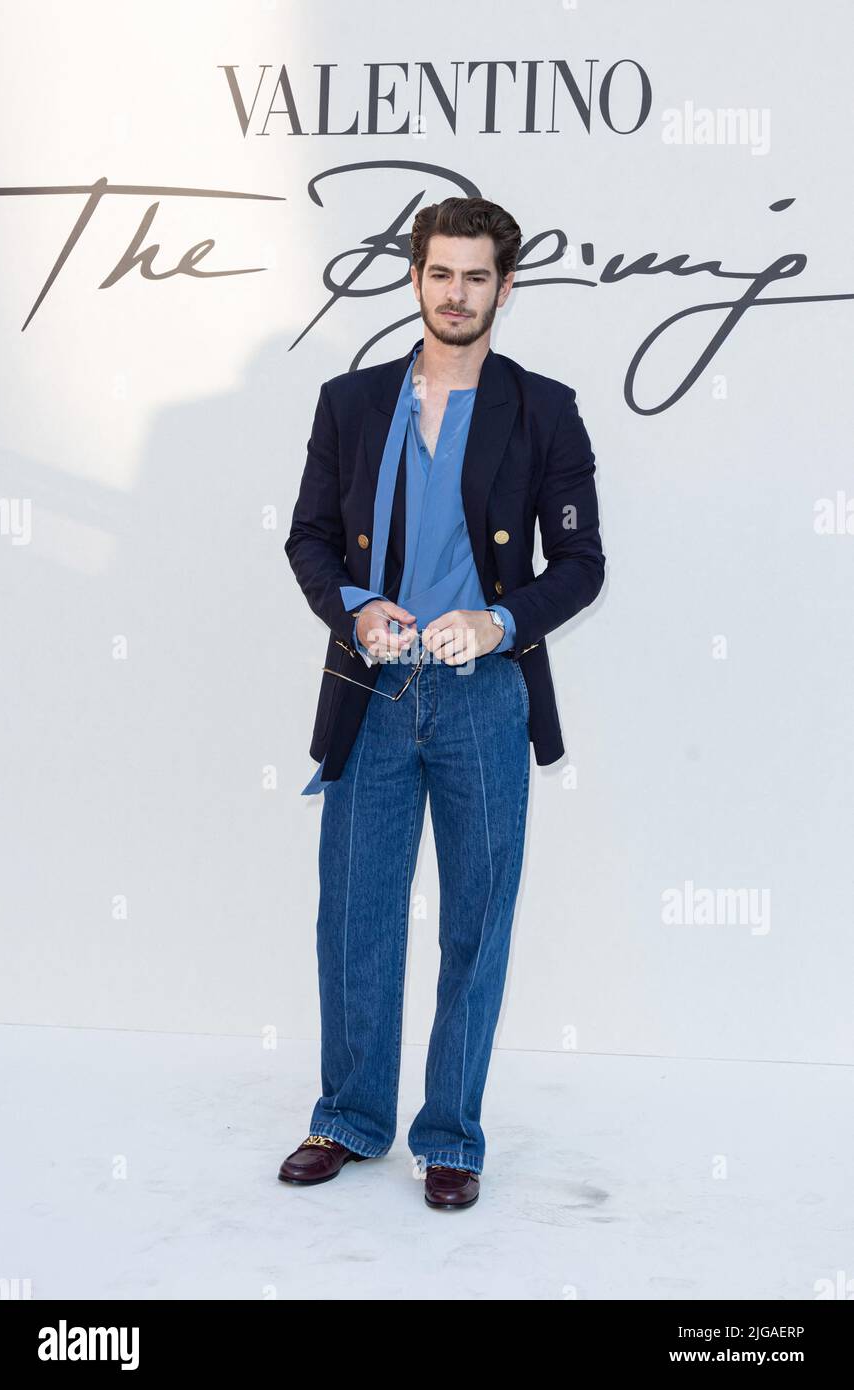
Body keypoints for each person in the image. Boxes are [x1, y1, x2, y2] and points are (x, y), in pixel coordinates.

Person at [281, 196, 605, 1210]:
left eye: (475, 276)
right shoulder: (348, 402)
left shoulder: (543, 408)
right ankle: (347, 1118)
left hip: (483, 697)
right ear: (413, 278)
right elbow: (308, 541)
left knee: (475, 920)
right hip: (370, 692)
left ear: (503, 288)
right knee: (354, 916)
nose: (454, 293)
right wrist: (356, 605)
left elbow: (582, 564)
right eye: (438, 273)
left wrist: (499, 622)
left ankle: (450, 1133)